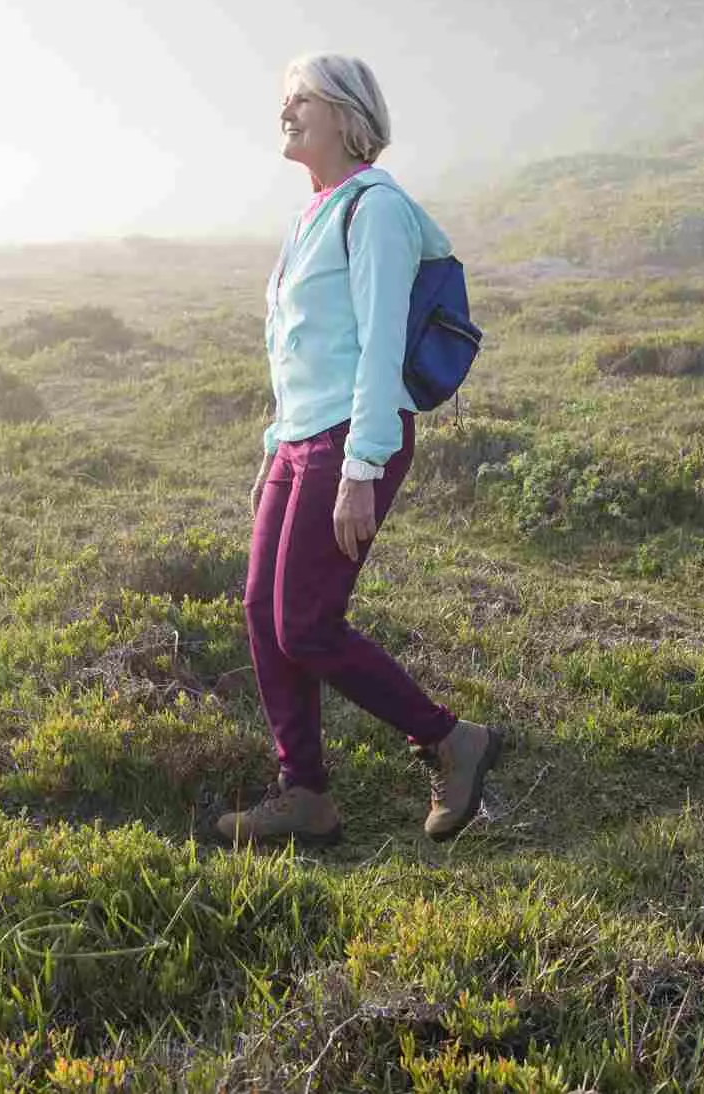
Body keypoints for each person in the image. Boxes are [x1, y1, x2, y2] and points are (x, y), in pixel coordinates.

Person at [216, 52, 501, 846]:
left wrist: (362, 467)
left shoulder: (374, 208)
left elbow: (377, 347)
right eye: (283, 100)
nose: (285, 112)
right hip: (300, 441)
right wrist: (273, 452)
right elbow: (301, 351)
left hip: (351, 437)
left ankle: (449, 740)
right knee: (262, 615)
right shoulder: (313, 212)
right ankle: (303, 792)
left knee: (306, 624)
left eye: (299, 99)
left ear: (345, 113)